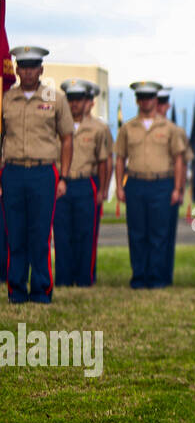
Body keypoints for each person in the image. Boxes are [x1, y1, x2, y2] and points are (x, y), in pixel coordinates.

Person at [1, 46, 73, 303]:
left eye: (33, 67)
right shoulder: (6, 99)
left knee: (40, 234)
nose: (28, 71)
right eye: (23, 66)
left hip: (44, 173)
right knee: (15, 234)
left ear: (41, 70)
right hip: (13, 172)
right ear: (17, 69)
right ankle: (16, 289)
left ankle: (41, 289)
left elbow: (66, 138)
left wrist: (63, 176)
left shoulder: (56, 98)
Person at [115, 81, 186, 289]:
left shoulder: (170, 128)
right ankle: (139, 276)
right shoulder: (128, 128)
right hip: (136, 183)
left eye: (150, 97)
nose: (146, 101)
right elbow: (120, 158)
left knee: (159, 233)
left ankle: (157, 278)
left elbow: (179, 159)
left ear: (156, 100)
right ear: (137, 100)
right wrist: (119, 186)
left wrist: (177, 188)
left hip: (162, 183)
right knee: (137, 233)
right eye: (142, 97)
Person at [53, 80, 111, 287]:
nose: (75, 103)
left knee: (86, 234)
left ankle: (84, 279)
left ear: (86, 101)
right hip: (62, 184)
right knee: (62, 234)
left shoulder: (98, 128)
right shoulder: (55, 126)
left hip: (86, 183)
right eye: (71, 99)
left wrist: (103, 190)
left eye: (79, 99)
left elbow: (103, 161)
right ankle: (63, 279)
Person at [155, 87, 189, 285]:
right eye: (155, 102)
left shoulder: (176, 131)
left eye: (161, 103)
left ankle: (165, 275)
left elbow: (182, 162)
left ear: (167, 105)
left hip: (168, 184)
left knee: (165, 233)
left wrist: (180, 188)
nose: (158, 107)